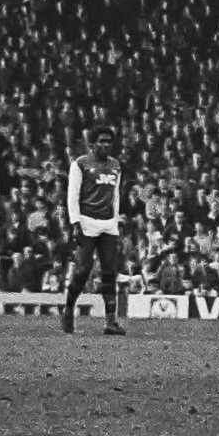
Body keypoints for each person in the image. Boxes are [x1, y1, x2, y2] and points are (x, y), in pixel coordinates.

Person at [62, 122, 128, 336]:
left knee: (110, 270)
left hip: (108, 223)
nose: (106, 145)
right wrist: (75, 223)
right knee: (83, 269)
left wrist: (116, 220)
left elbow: (115, 195)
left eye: (109, 142)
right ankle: (69, 309)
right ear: (92, 144)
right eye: (102, 142)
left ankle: (111, 321)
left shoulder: (115, 165)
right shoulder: (80, 164)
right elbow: (72, 195)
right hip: (86, 221)